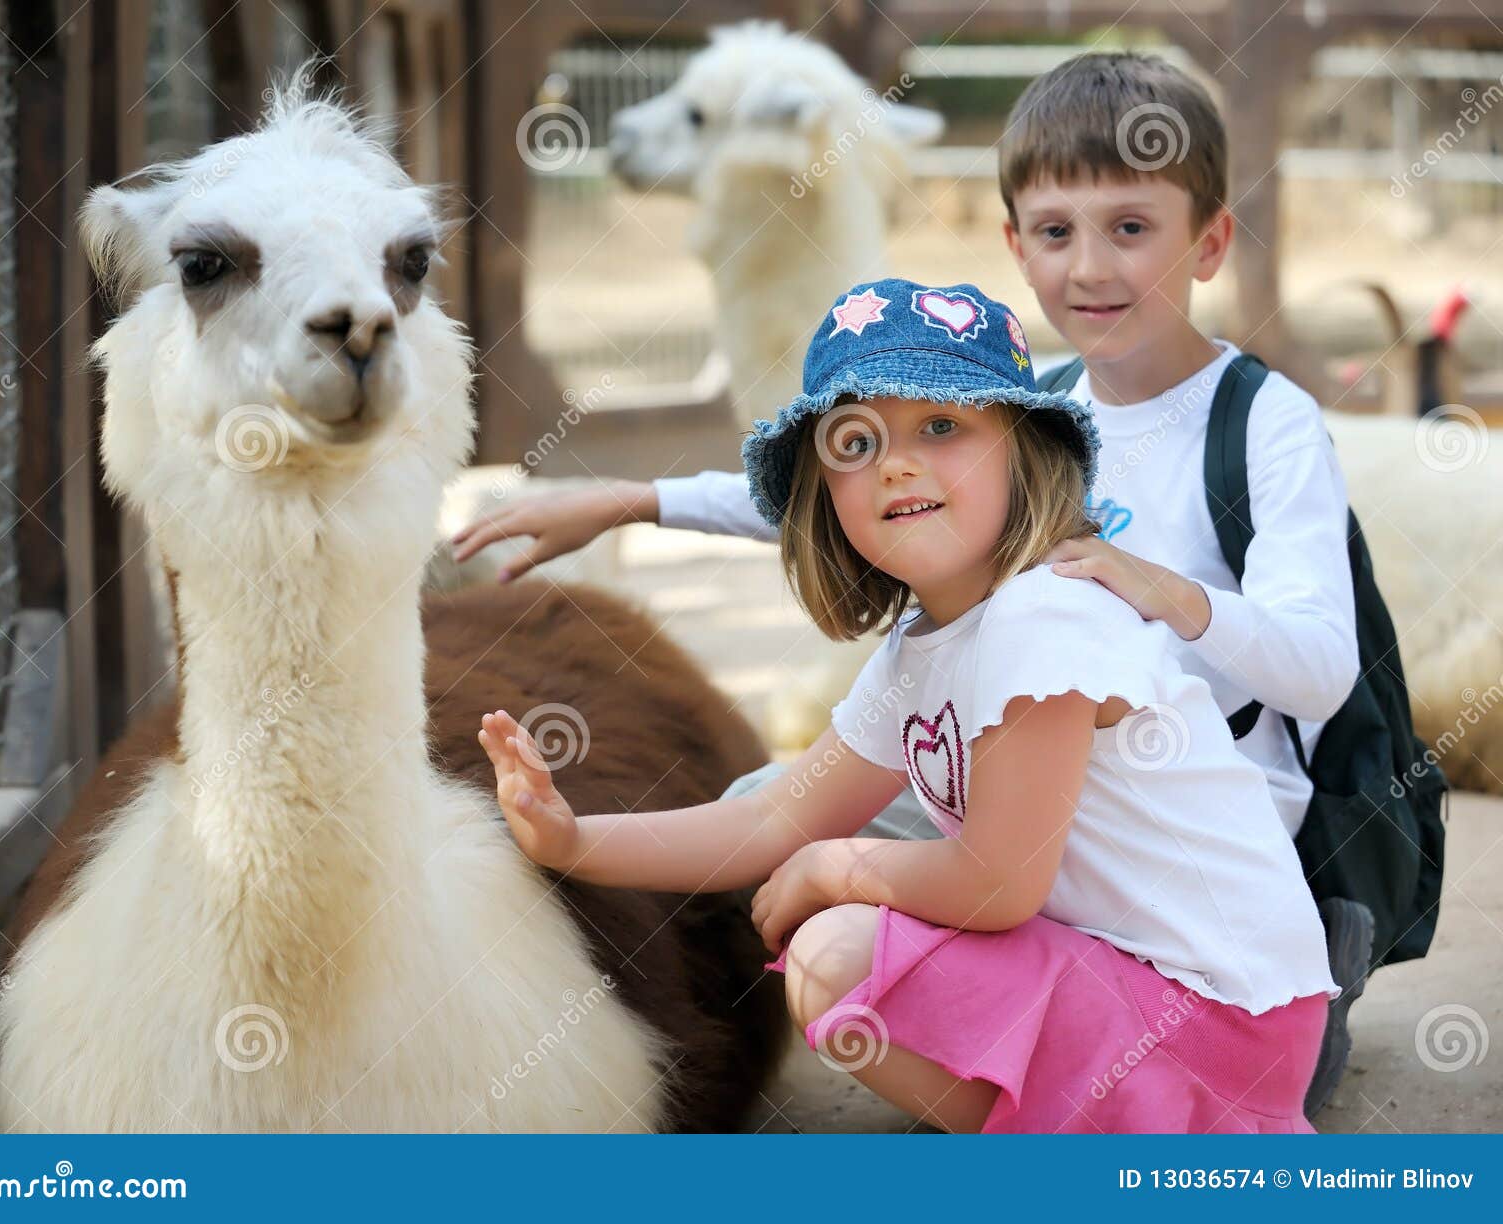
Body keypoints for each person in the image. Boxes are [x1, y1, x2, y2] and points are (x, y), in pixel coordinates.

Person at [449, 52, 1367, 1116]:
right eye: (856, 444)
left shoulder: (1056, 606)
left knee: (844, 941)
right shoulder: (927, 640)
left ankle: (1163, 1130)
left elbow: (998, 881)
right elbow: (772, 822)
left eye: (940, 427)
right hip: (1095, 918)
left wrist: (845, 866)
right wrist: (568, 837)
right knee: (798, 861)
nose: (897, 464)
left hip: (1212, 997)